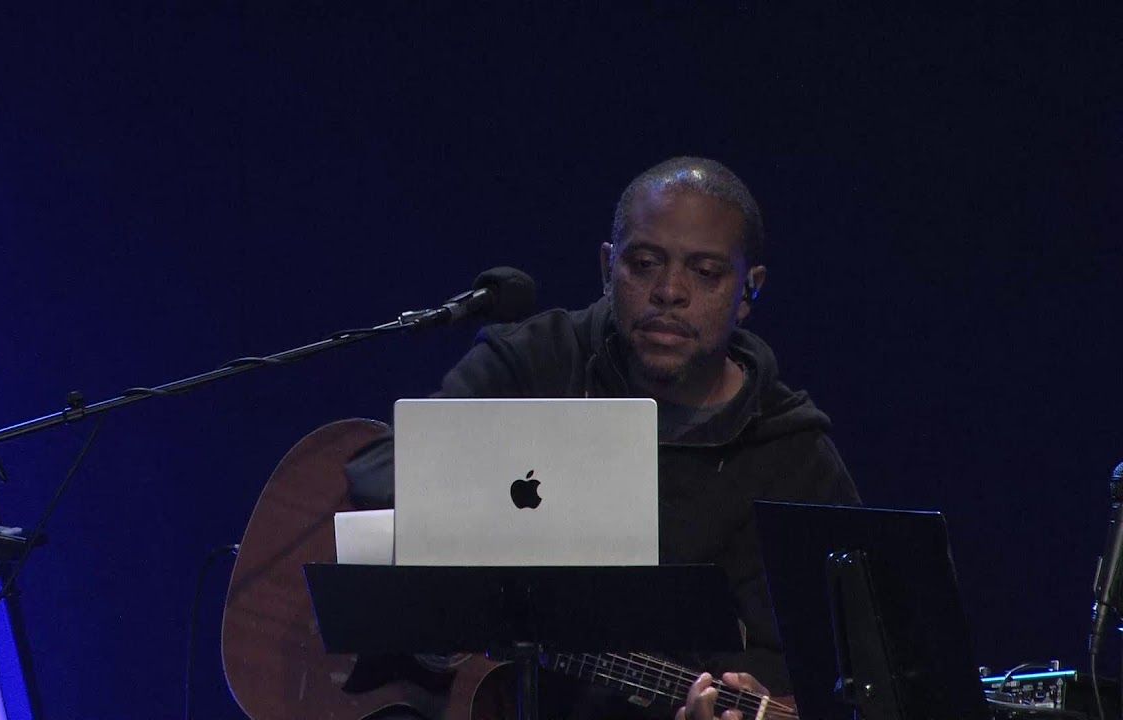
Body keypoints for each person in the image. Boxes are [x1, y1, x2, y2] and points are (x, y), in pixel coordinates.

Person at [346, 156, 860, 720]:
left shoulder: (793, 458)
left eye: (706, 273)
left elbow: (833, 667)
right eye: (644, 263)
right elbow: (375, 475)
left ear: (747, 290)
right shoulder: (539, 361)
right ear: (607, 266)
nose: (669, 290)